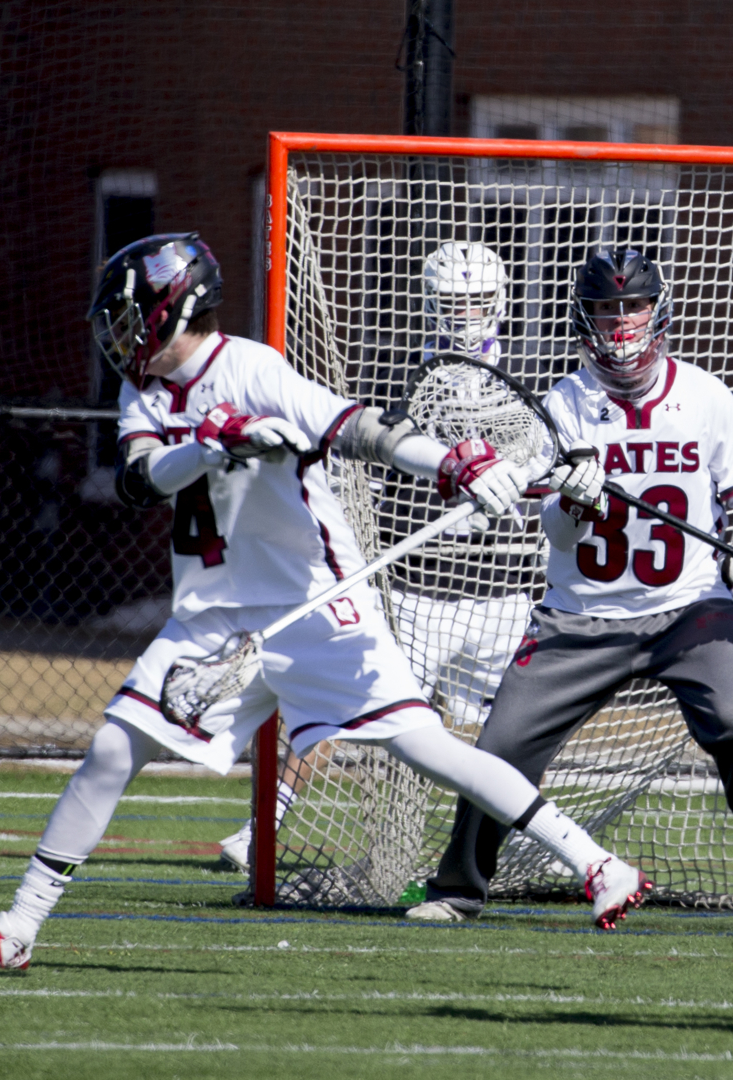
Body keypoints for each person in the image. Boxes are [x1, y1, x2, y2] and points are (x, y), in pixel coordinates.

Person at [0, 233, 649, 975]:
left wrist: (456, 466)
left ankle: (598, 865)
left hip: (314, 603)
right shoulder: (142, 391)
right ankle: (15, 930)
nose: (120, 335)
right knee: (114, 746)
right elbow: (141, 478)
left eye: (130, 317)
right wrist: (213, 447)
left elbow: (359, 428)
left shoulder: (252, 367)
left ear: (176, 309)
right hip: (216, 614)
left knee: (425, 747)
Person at [410, 247, 733, 932]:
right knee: (500, 749)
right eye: (605, 307)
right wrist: (571, 500)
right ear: (583, 317)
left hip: (690, 611)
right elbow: (555, 536)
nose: (620, 320)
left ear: (658, 310)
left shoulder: (705, 396)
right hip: (580, 617)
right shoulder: (562, 407)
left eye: (633, 305)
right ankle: (459, 887)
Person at [216, 240, 535, 875]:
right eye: (452, 303)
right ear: (428, 303)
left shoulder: (527, 375)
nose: (466, 314)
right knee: (349, 701)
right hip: (416, 585)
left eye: (476, 302)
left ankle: (522, 835)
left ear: (499, 302)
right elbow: (359, 478)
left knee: (526, 724)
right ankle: (267, 823)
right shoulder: (395, 376)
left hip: (505, 585)